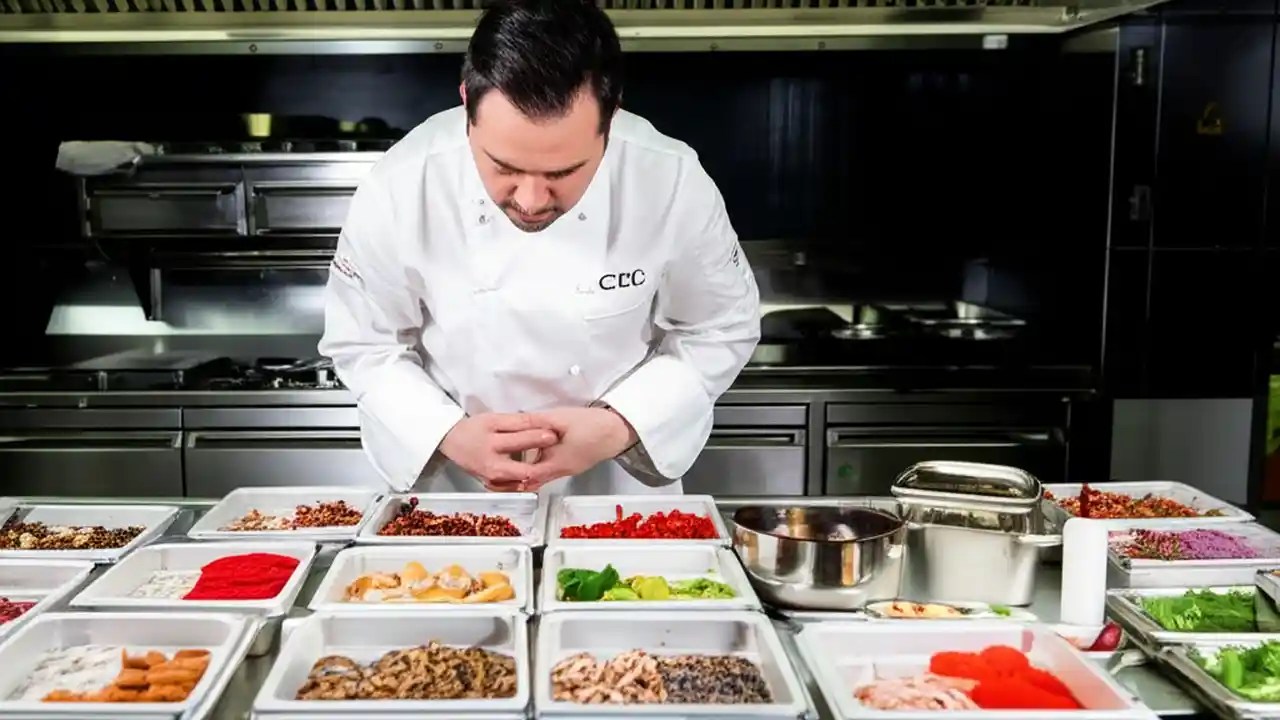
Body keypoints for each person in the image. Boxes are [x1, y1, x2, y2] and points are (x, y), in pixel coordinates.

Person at [318, 0, 761, 496]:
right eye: (503, 166)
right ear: (467, 101)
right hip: (457, 484)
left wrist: (621, 424)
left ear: (612, 117)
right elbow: (364, 342)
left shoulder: (670, 179)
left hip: (612, 484)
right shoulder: (402, 184)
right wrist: (445, 432)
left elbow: (721, 326)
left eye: (563, 173)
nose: (530, 201)